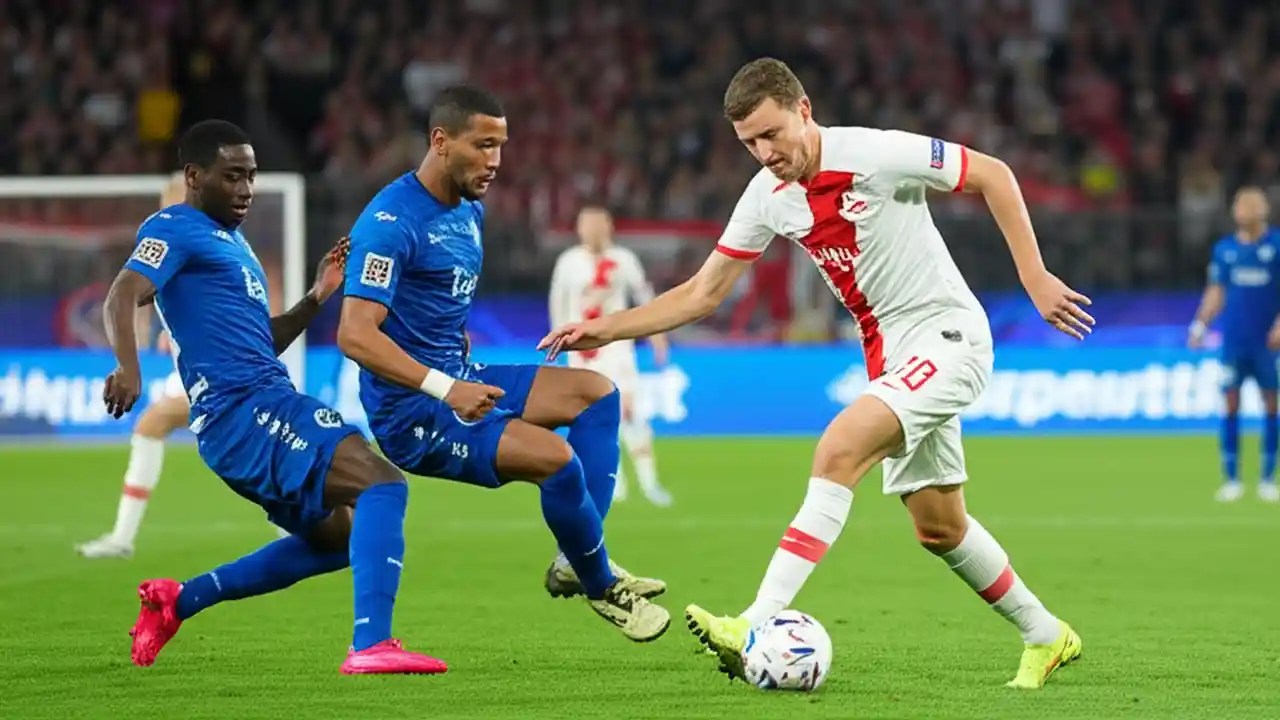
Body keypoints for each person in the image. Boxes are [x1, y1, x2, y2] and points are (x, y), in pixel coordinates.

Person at [540, 58, 1093, 689]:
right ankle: (1047, 634)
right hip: (889, 356)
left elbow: (992, 174)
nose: (765, 153)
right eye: (749, 144)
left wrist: (1034, 277)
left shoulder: (876, 153)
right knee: (938, 526)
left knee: (838, 449)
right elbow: (702, 294)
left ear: (804, 110)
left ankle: (754, 620)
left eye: (772, 134)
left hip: (949, 335)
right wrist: (604, 328)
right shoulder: (767, 197)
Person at [103, 119, 443, 675]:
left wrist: (315, 297)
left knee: (338, 540)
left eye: (251, 177)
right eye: (232, 176)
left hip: (252, 406)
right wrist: (126, 364)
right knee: (383, 483)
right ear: (194, 176)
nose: (245, 189)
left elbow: (260, 340)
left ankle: (178, 601)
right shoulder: (176, 226)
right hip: (246, 409)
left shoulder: (231, 244)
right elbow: (123, 291)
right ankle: (371, 645)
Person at [336, 85, 669, 643]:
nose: (495, 161)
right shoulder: (390, 222)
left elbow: (439, 307)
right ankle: (599, 583)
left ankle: (573, 558)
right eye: (482, 146)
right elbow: (354, 334)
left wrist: (456, 369)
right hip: (414, 412)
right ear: (440, 142)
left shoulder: (469, 211)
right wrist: (446, 388)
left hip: (459, 378)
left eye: (501, 146)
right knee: (557, 460)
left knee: (597, 392)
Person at [77, 174, 191, 559]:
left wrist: (129, 364)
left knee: (248, 458)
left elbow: (126, 294)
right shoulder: (200, 241)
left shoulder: (185, 237)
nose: (164, 209)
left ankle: (122, 538)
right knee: (152, 426)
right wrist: (172, 333)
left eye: (169, 200)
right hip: (200, 372)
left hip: (220, 375)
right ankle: (121, 538)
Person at [549, 204, 674, 507]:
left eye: (597, 224)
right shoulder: (569, 262)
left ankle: (650, 482)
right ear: (579, 229)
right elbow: (558, 303)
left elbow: (644, 298)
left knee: (630, 410)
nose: (591, 230)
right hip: (581, 350)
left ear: (608, 227)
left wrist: (658, 336)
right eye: (585, 225)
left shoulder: (624, 260)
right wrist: (558, 344)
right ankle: (612, 480)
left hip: (617, 346)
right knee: (594, 417)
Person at [1189, 186, 1280, 503]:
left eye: (1251, 204)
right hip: (1234, 341)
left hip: (1267, 344)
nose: (1244, 209)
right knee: (1230, 404)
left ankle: (1268, 477)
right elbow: (1217, 291)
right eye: (1240, 203)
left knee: (1271, 404)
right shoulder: (1225, 250)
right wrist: (1200, 324)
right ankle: (1232, 479)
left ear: (1263, 210)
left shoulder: (1277, 246)